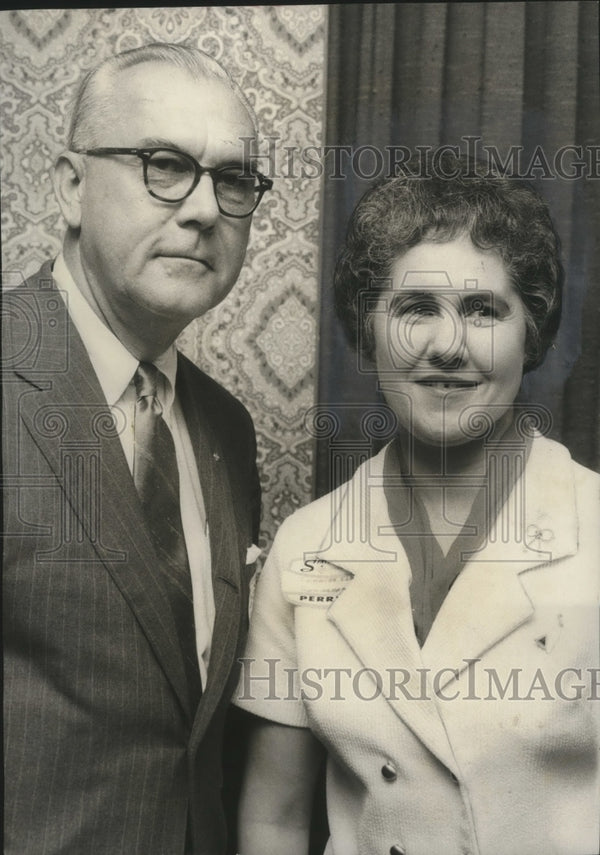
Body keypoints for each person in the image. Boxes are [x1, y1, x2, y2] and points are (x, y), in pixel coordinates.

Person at [235, 154, 600, 855]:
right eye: (414, 308)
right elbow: (273, 819)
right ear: (368, 330)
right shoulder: (306, 548)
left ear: (533, 332)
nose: (447, 345)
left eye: (484, 310)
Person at [2, 42, 271, 854]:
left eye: (231, 180)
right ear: (72, 185)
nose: (201, 210)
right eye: (163, 164)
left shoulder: (225, 426)